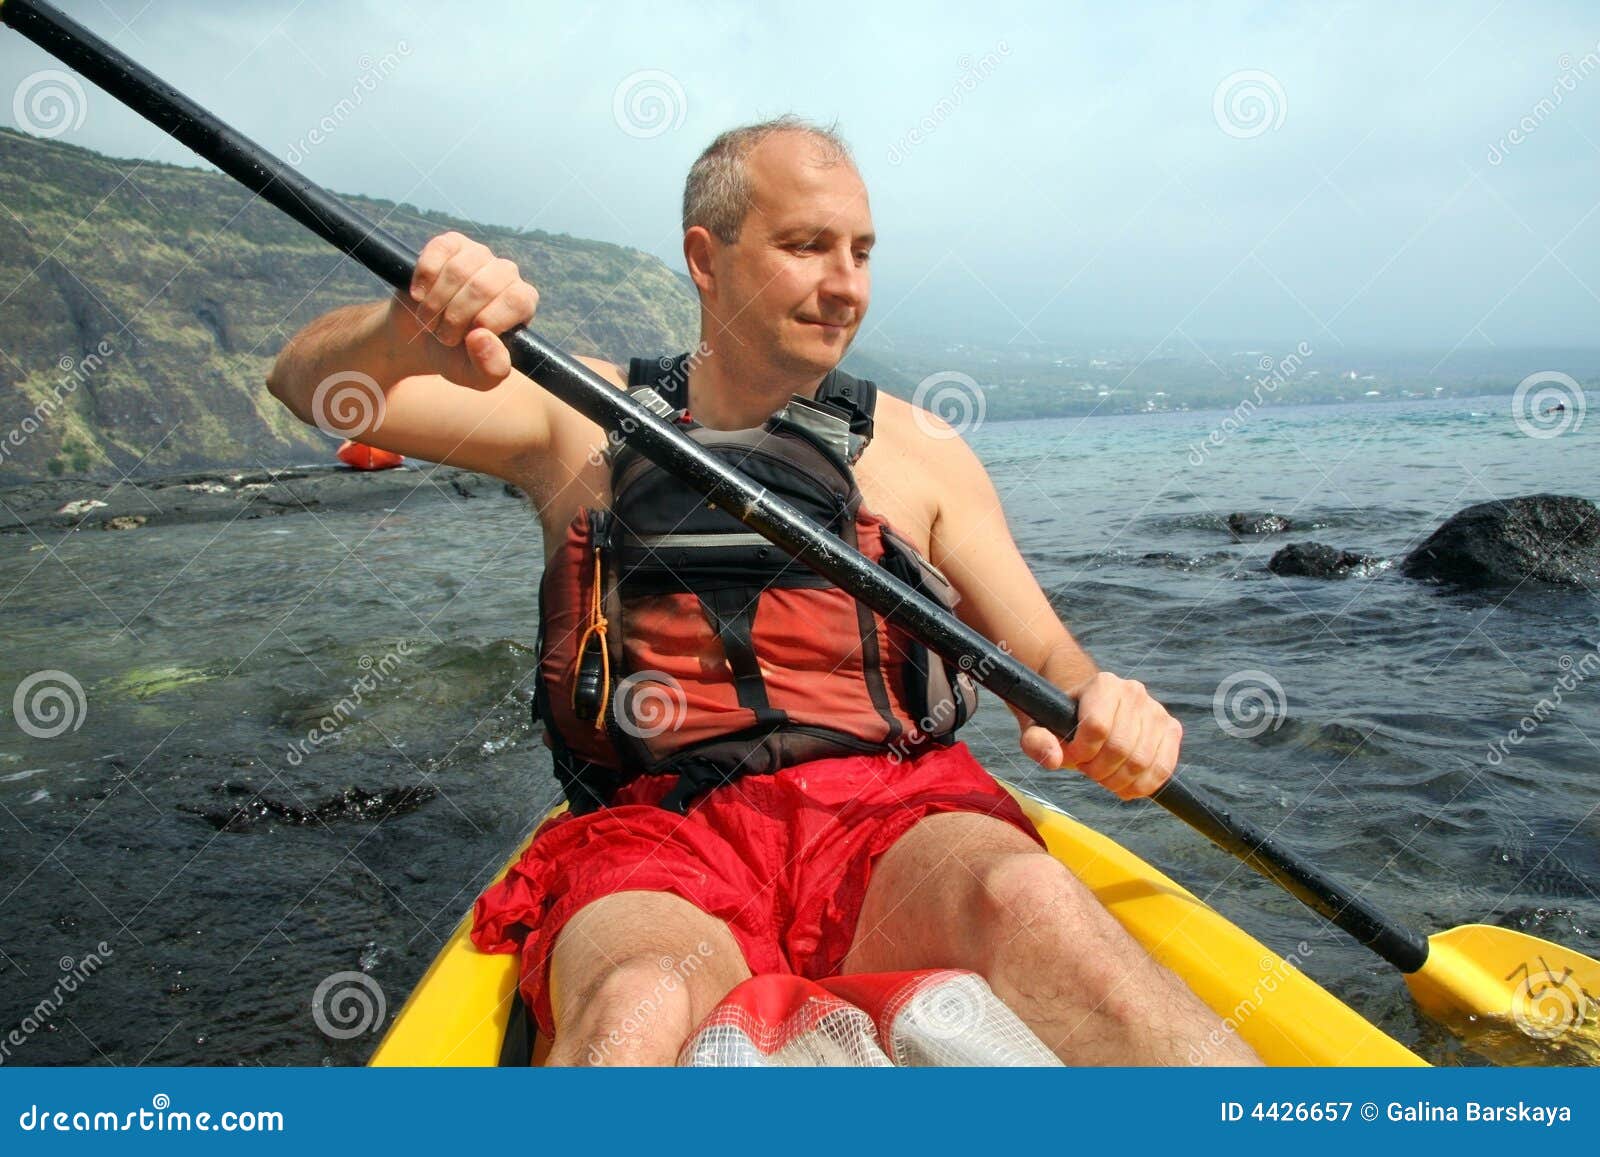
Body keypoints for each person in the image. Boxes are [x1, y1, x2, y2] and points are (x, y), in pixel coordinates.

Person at [267, 116, 1259, 1066]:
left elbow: (1045, 660)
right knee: (636, 1003)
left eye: (861, 252)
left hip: (889, 815)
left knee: (1032, 903)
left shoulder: (922, 450)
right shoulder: (581, 417)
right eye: (806, 245)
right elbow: (311, 387)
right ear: (706, 258)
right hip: (659, 832)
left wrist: (1105, 703)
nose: (845, 284)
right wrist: (403, 327)